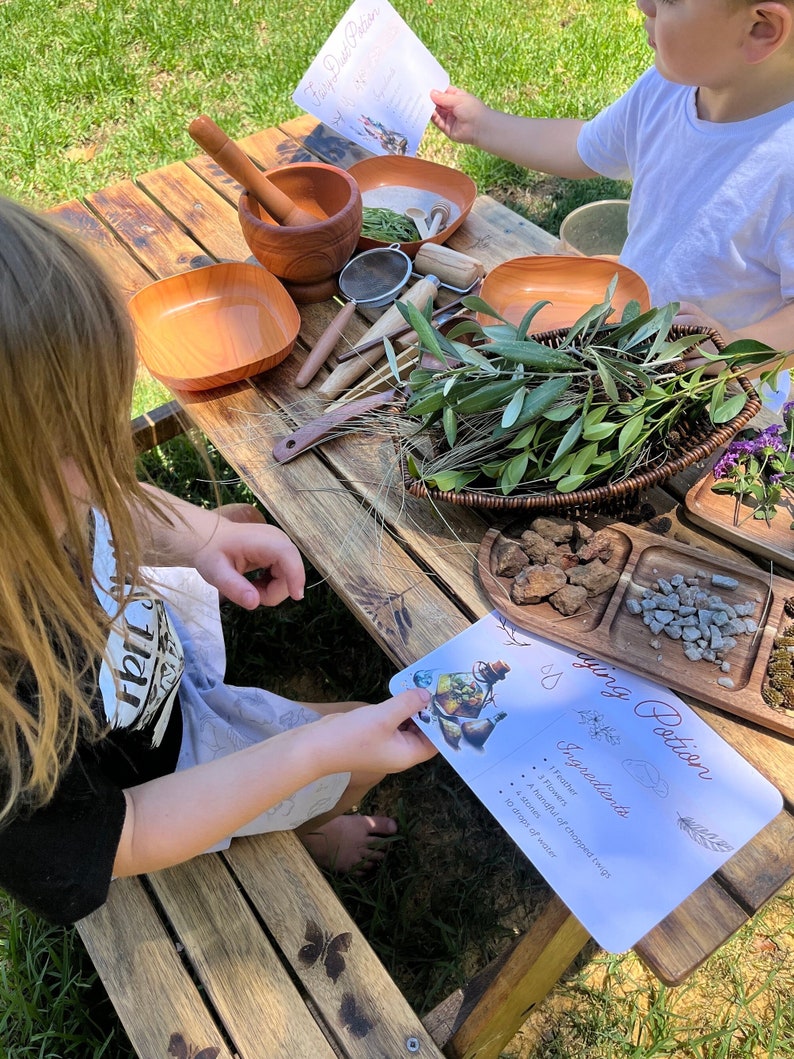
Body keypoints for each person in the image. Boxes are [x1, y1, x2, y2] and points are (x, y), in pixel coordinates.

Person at [0, 194, 437, 927]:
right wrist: (313, 756)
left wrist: (201, 536)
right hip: (160, 781)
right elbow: (121, 835)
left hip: (143, 677)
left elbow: (106, 499)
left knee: (233, 521)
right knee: (361, 743)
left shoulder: (42, 505)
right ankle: (313, 826)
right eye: (69, 450)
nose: (105, 463)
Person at [430, 0, 794, 381]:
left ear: (760, 28)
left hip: (714, 395)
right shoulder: (667, 90)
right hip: (628, 353)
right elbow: (582, 147)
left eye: (669, 0)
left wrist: (731, 350)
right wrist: (483, 125)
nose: (643, 4)